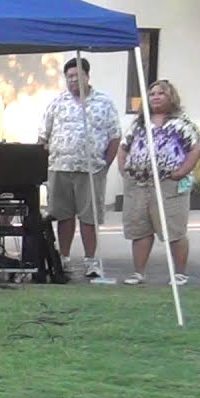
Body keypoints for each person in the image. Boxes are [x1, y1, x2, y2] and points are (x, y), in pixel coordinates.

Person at [38, 58, 121, 279]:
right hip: (59, 168)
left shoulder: (104, 102)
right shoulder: (57, 102)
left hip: (91, 170)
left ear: (87, 76)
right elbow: (42, 136)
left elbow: (115, 136)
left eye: (78, 75)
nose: (74, 80)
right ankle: (63, 259)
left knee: (89, 218)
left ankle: (91, 261)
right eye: (69, 77)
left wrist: (105, 165)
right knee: (63, 216)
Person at [118, 80, 200, 286]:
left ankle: (179, 274)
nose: (155, 97)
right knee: (140, 230)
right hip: (138, 185)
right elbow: (123, 147)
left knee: (174, 229)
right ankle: (139, 273)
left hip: (168, 185)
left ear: (170, 97)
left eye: (161, 93)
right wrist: (124, 170)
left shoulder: (182, 123)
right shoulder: (139, 123)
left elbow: (196, 148)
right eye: (152, 93)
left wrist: (181, 172)